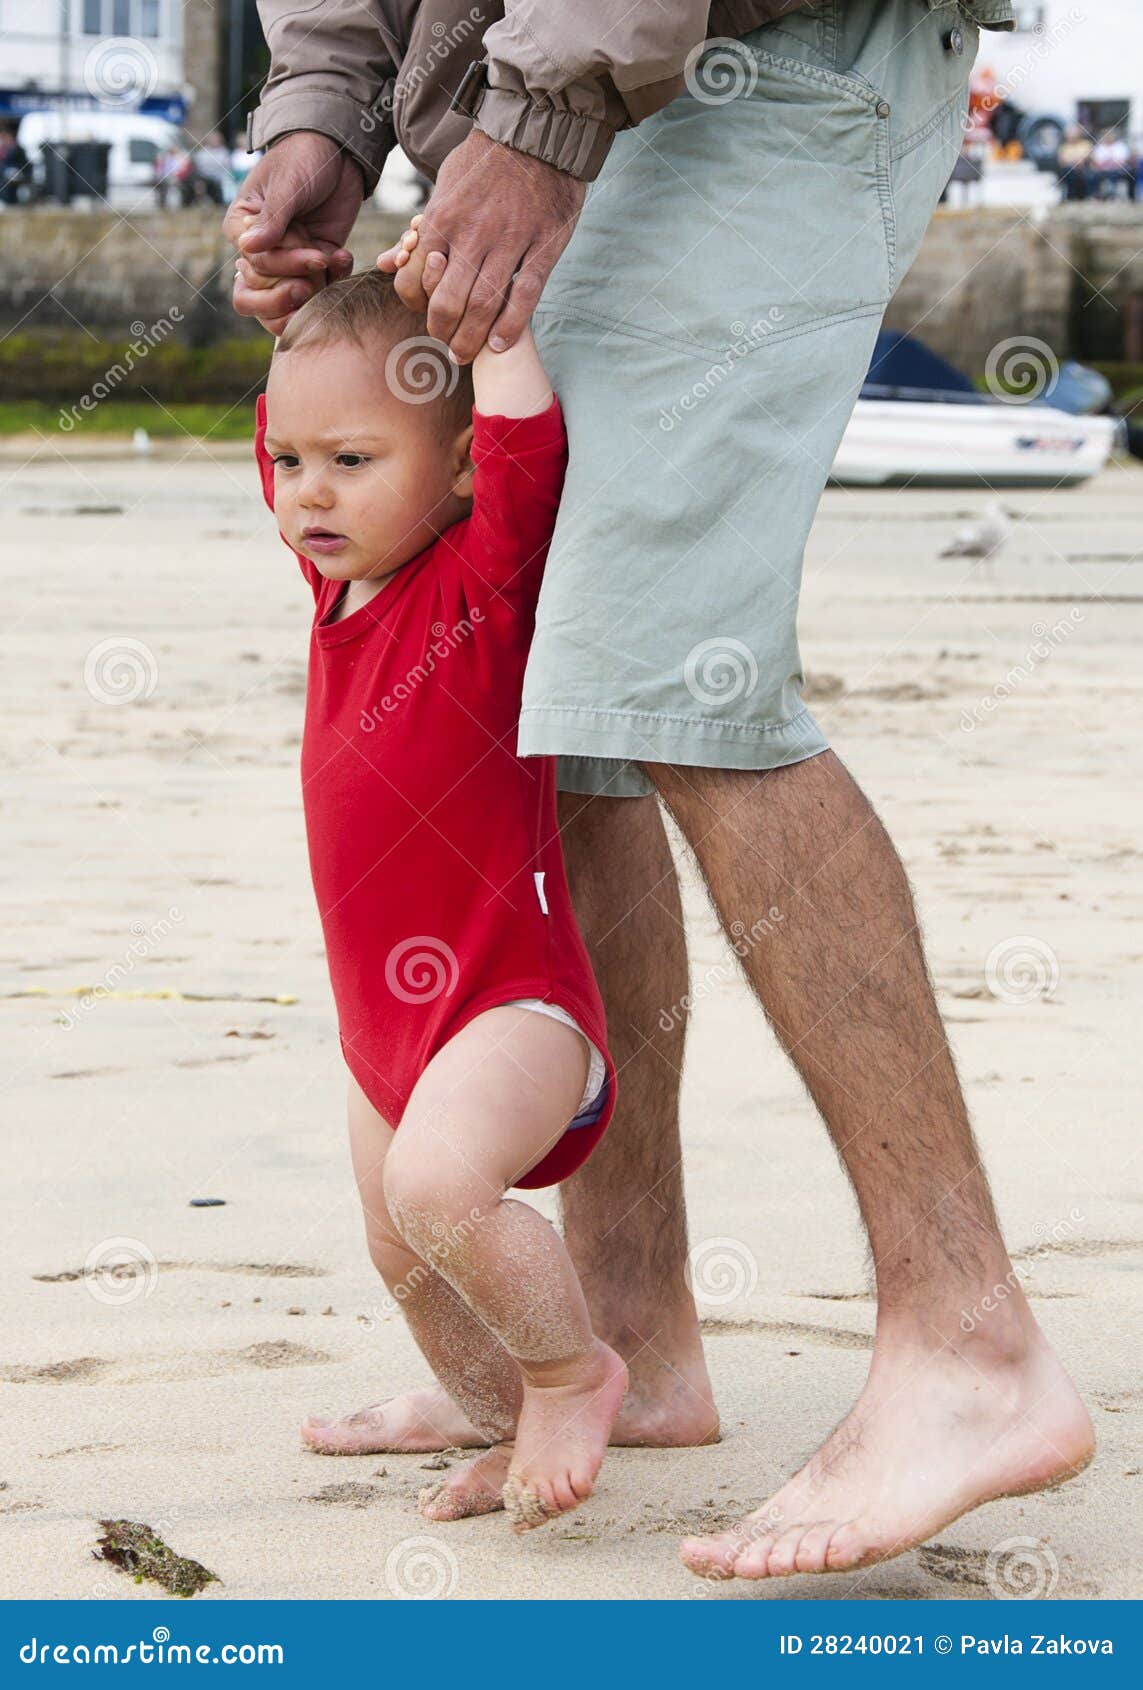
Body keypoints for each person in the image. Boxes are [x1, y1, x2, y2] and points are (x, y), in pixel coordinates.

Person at [228, 0, 1096, 1582]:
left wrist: (546, 105)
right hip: (548, 68)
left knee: (679, 676)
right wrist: (328, 105)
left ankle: (969, 1345)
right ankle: (631, 1327)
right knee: (585, 697)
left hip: (750, 47)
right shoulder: (329, 565)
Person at [255, 258, 628, 1529]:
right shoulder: (334, 584)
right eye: (292, 462)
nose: (311, 490)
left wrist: (500, 322)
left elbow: (527, 453)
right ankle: (482, 1396)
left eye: (352, 462)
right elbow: (298, 418)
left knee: (438, 1192)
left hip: (508, 1002)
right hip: (385, 1028)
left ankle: (569, 1371)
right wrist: (285, 324)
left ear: (458, 467)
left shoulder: (480, 583)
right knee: (398, 1242)